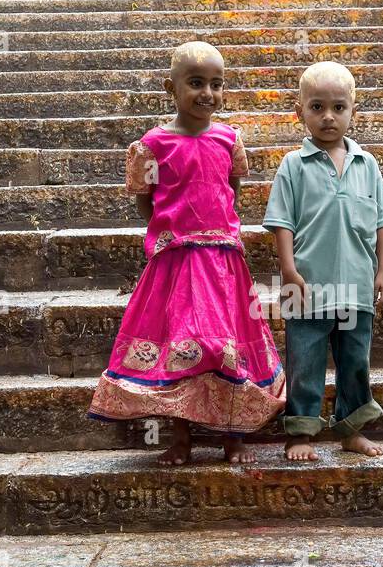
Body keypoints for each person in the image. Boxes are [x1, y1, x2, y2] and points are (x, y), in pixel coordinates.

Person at [88, 42, 285, 464]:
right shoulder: (152, 145)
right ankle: (181, 437)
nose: (208, 94)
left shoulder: (229, 139)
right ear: (170, 88)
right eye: (196, 84)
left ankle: (233, 437)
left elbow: (231, 191)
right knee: (183, 346)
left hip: (223, 262)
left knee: (227, 346)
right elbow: (146, 201)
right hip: (176, 262)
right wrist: (173, 229)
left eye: (217, 84)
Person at [264, 61, 383, 462]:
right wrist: (288, 270)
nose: (328, 116)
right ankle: (301, 431)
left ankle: (351, 429)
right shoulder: (293, 165)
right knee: (305, 360)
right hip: (307, 284)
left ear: (353, 111)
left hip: (356, 283)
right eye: (316, 107)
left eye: (338, 107)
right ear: (299, 111)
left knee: (355, 359)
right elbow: (282, 222)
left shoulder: (366, 164)